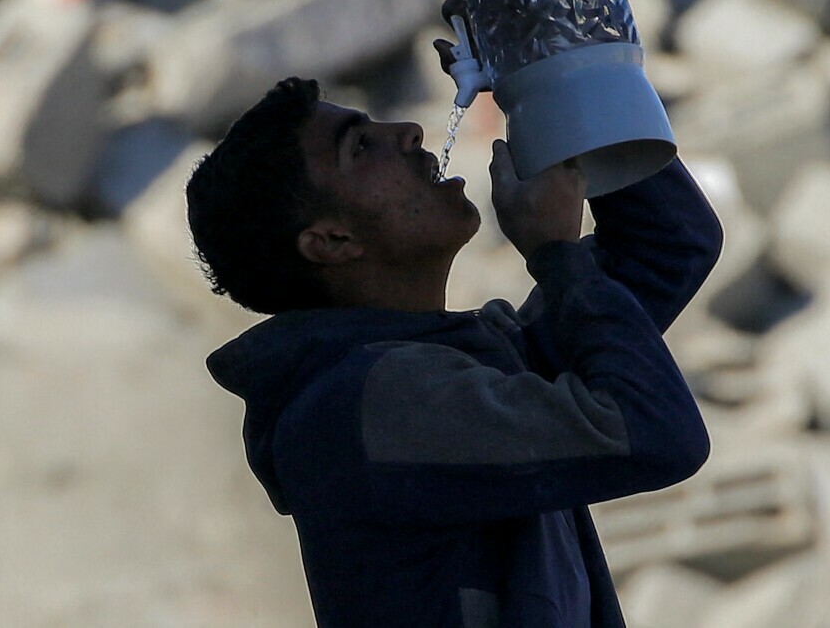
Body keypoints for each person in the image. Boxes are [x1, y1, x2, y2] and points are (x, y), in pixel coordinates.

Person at [187, 74, 721, 628]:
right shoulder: (366, 406)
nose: (411, 133)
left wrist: (547, 71)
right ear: (332, 241)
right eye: (361, 146)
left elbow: (668, 243)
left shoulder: (456, 368)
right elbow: (655, 433)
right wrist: (557, 254)